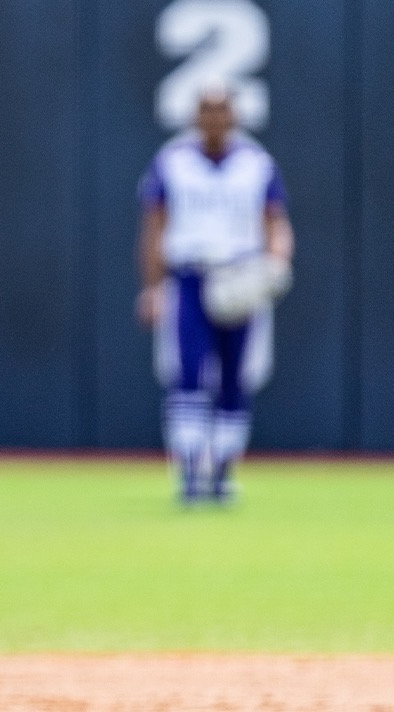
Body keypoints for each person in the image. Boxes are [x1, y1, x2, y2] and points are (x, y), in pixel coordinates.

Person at [137, 85, 294, 504]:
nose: (214, 119)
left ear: (235, 116)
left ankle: (223, 472)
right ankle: (189, 471)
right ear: (194, 116)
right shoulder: (173, 162)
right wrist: (153, 287)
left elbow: (275, 222)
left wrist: (277, 262)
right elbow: (155, 227)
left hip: (240, 275)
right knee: (187, 375)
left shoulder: (256, 164)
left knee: (233, 379)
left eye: (221, 110)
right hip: (190, 275)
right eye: (206, 110)